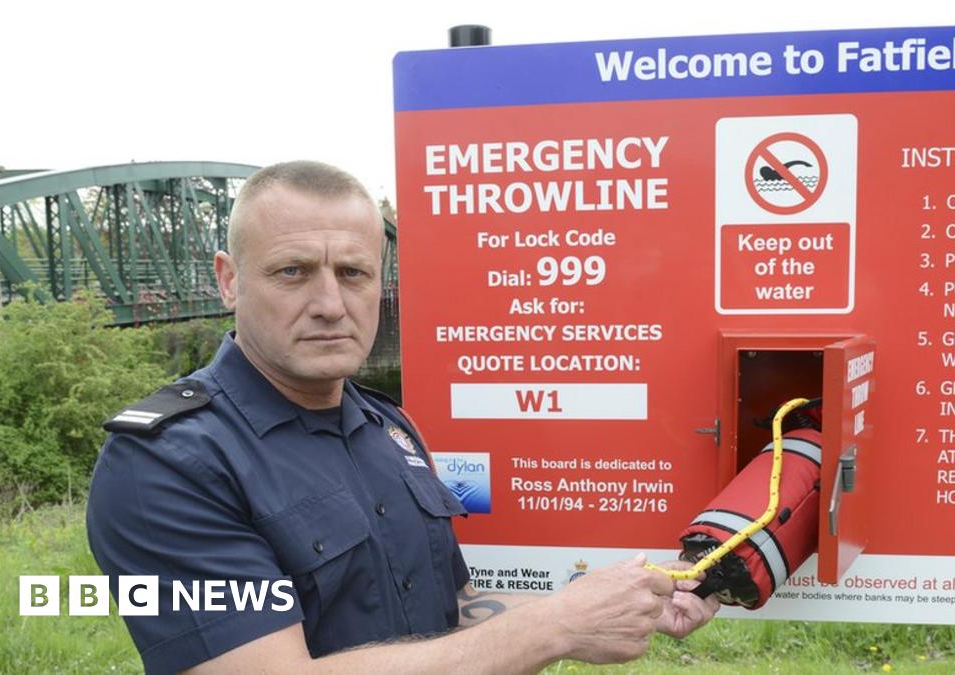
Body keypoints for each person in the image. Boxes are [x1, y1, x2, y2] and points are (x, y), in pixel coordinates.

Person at [86, 160, 718, 674]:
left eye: (353, 273)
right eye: (293, 272)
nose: (331, 304)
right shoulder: (167, 463)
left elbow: (458, 612)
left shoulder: (388, 428)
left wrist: (610, 603)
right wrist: (552, 627)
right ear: (229, 281)